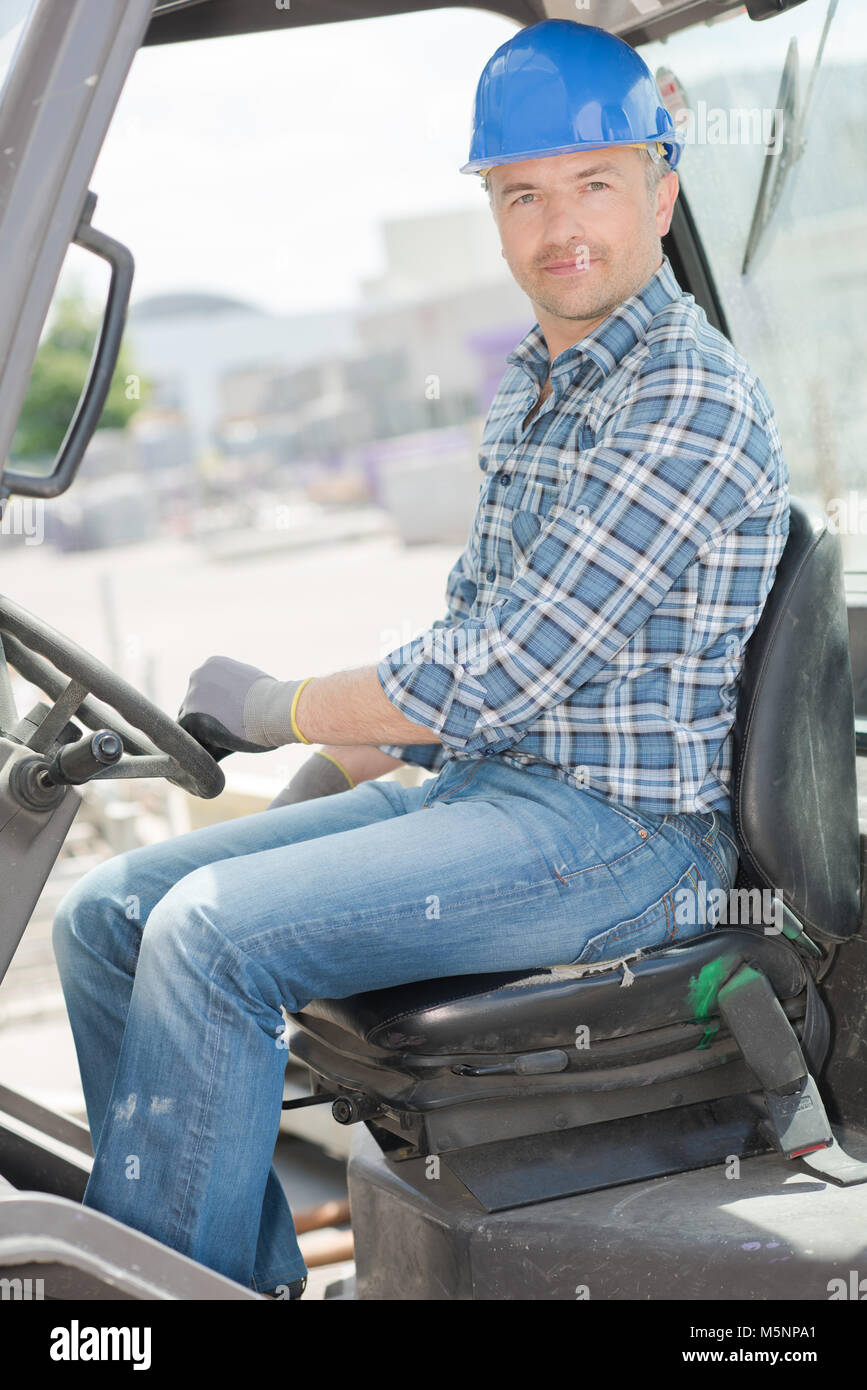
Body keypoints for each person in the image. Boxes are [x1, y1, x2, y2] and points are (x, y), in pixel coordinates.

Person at [52, 19, 789, 1298]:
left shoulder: (688, 400)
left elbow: (495, 673)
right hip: (491, 797)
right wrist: (316, 783)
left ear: (664, 189)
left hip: (621, 837)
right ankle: (227, 1282)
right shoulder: (541, 386)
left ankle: (151, 1321)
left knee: (212, 942)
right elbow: (461, 646)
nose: (560, 225)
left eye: (596, 183)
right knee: (109, 915)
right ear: (494, 214)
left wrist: (276, 703)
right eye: (523, 194)